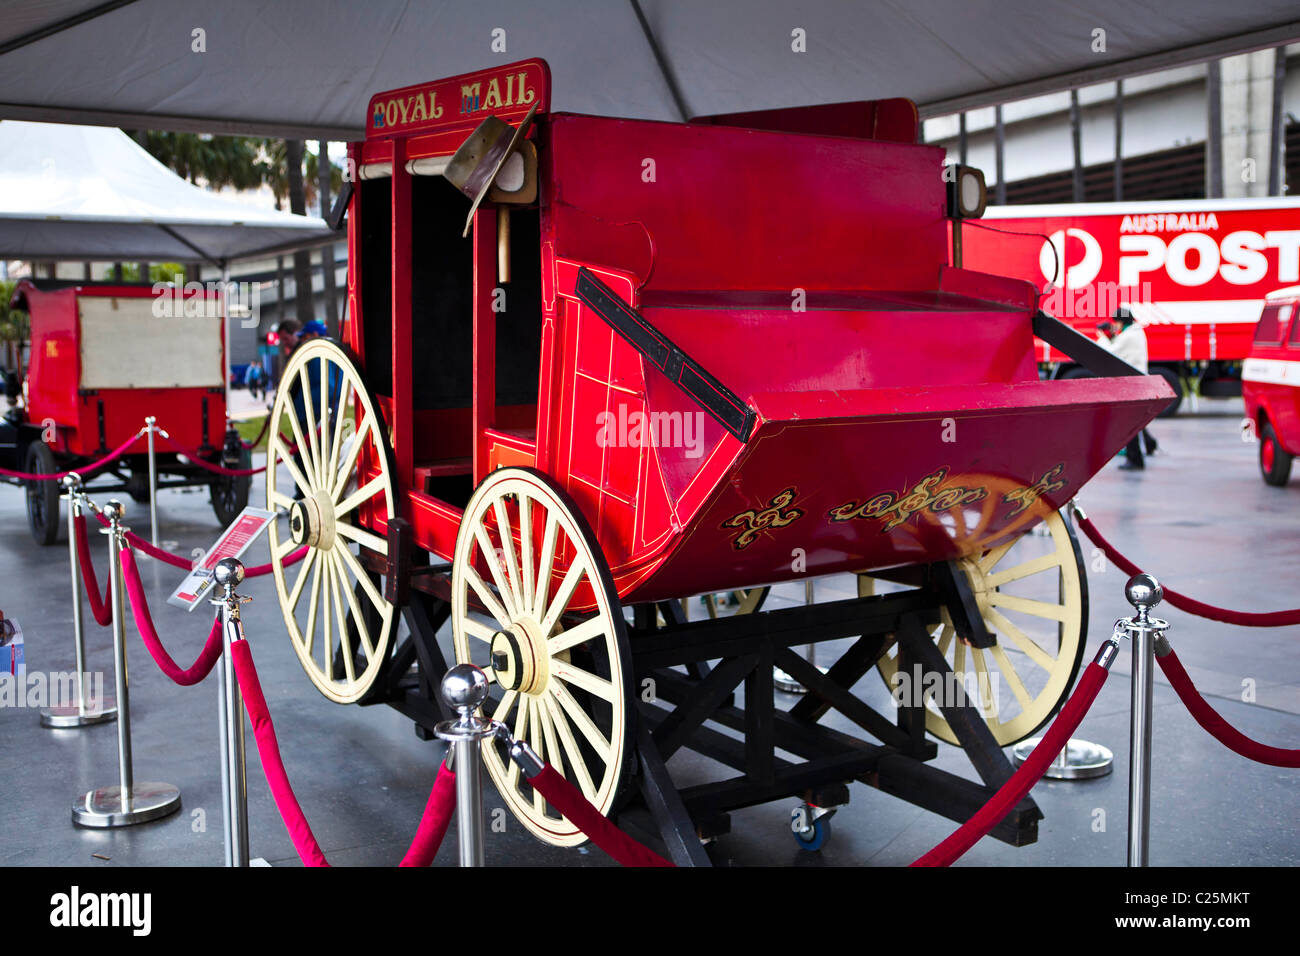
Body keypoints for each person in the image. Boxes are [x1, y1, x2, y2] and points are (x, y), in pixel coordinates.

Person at [1104, 307, 1158, 470]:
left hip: (1132, 385)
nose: (1115, 325)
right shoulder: (1136, 332)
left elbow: (1109, 352)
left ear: (1122, 321)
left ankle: (1135, 459)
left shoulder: (1128, 336)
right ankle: (1150, 444)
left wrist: (1103, 337)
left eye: (1116, 322)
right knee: (1136, 420)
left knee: (1129, 422)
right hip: (1138, 383)